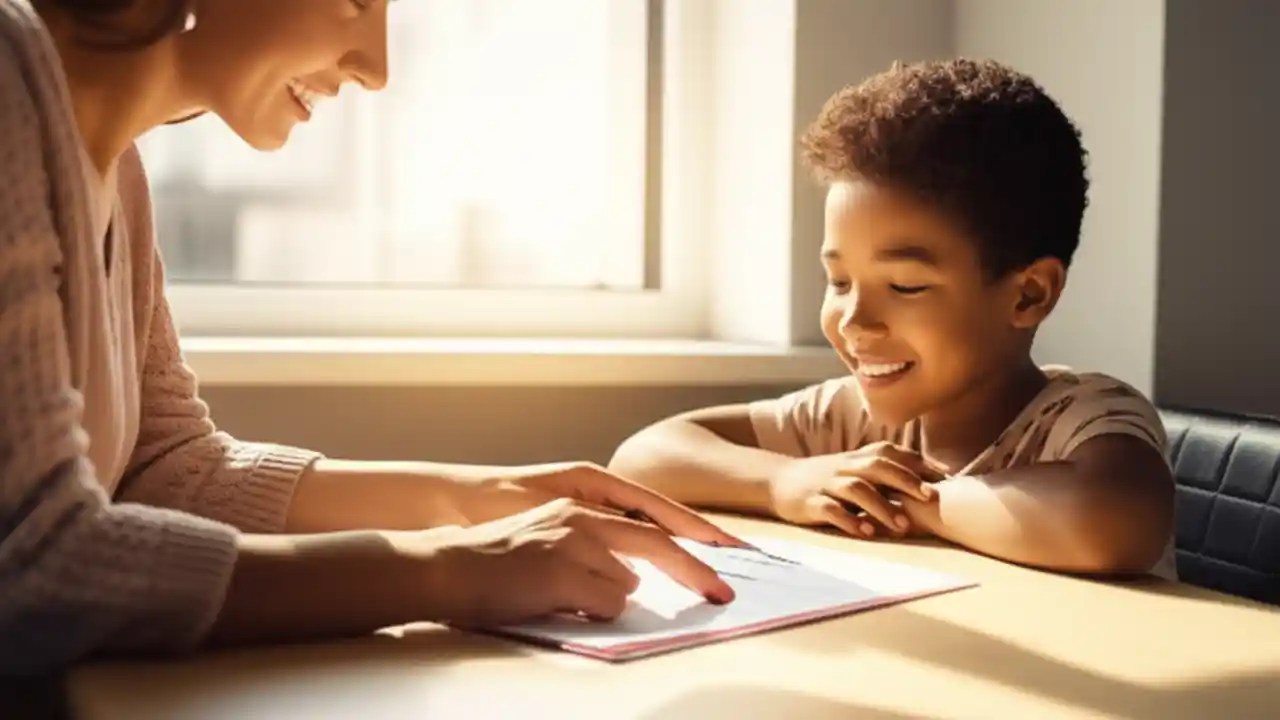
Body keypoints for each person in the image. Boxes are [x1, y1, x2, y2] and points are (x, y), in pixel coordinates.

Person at [0, 0, 738, 675]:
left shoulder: (114, 163)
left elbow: (162, 469)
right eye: (357, 1)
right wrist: (447, 568)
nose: (375, 70)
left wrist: (480, 497)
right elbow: (38, 562)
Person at [610, 59, 1176, 579]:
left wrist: (900, 499)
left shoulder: (1085, 418)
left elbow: (1110, 525)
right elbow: (643, 457)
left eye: (904, 286)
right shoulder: (849, 419)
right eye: (839, 282)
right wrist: (786, 480)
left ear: (1027, 295)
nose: (855, 320)